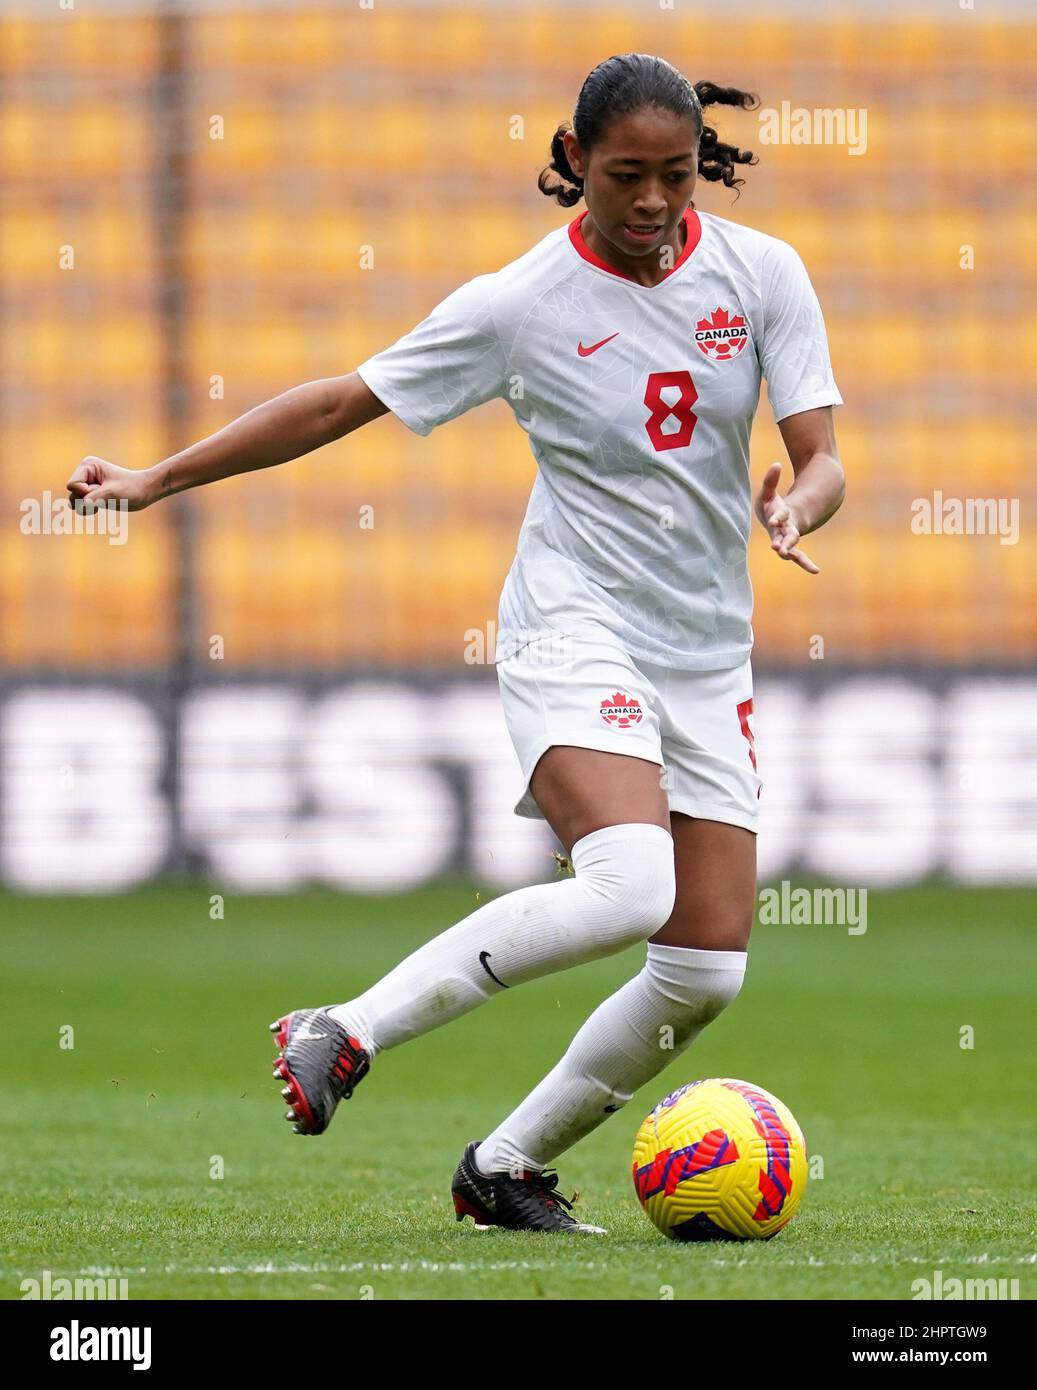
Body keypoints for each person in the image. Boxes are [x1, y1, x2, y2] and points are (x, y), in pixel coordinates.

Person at [67, 53, 844, 1235]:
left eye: (676, 177)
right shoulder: (519, 305)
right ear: (573, 161)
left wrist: (798, 502)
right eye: (624, 176)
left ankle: (504, 1168)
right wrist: (155, 480)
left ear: (704, 167)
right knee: (629, 884)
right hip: (572, 625)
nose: (650, 202)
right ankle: (346, 1027)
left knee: (705, 971)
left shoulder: (763, 272)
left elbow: (823, 456)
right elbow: (342, 399)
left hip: (704, 651)